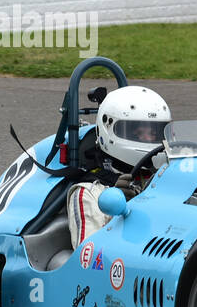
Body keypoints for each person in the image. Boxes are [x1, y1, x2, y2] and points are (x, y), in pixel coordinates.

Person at [67, 85, 171, 245]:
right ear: (108, 128)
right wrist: (120, 213)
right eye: (138, 132)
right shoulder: (89, 193)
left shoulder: (166, 178)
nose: (148, 140)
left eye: (153, 133)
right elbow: (88, 260)